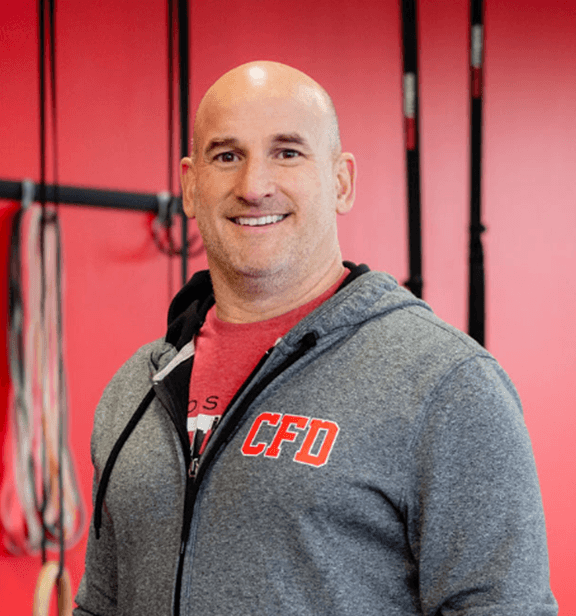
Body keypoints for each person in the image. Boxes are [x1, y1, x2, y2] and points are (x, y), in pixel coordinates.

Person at [74, 61, 557, 616]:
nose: (254, 186)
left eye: (287, 152)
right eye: (226, 156)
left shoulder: (446, 385)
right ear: (190, 185)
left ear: (341, 181)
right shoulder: (137, 388)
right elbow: (100, 605)